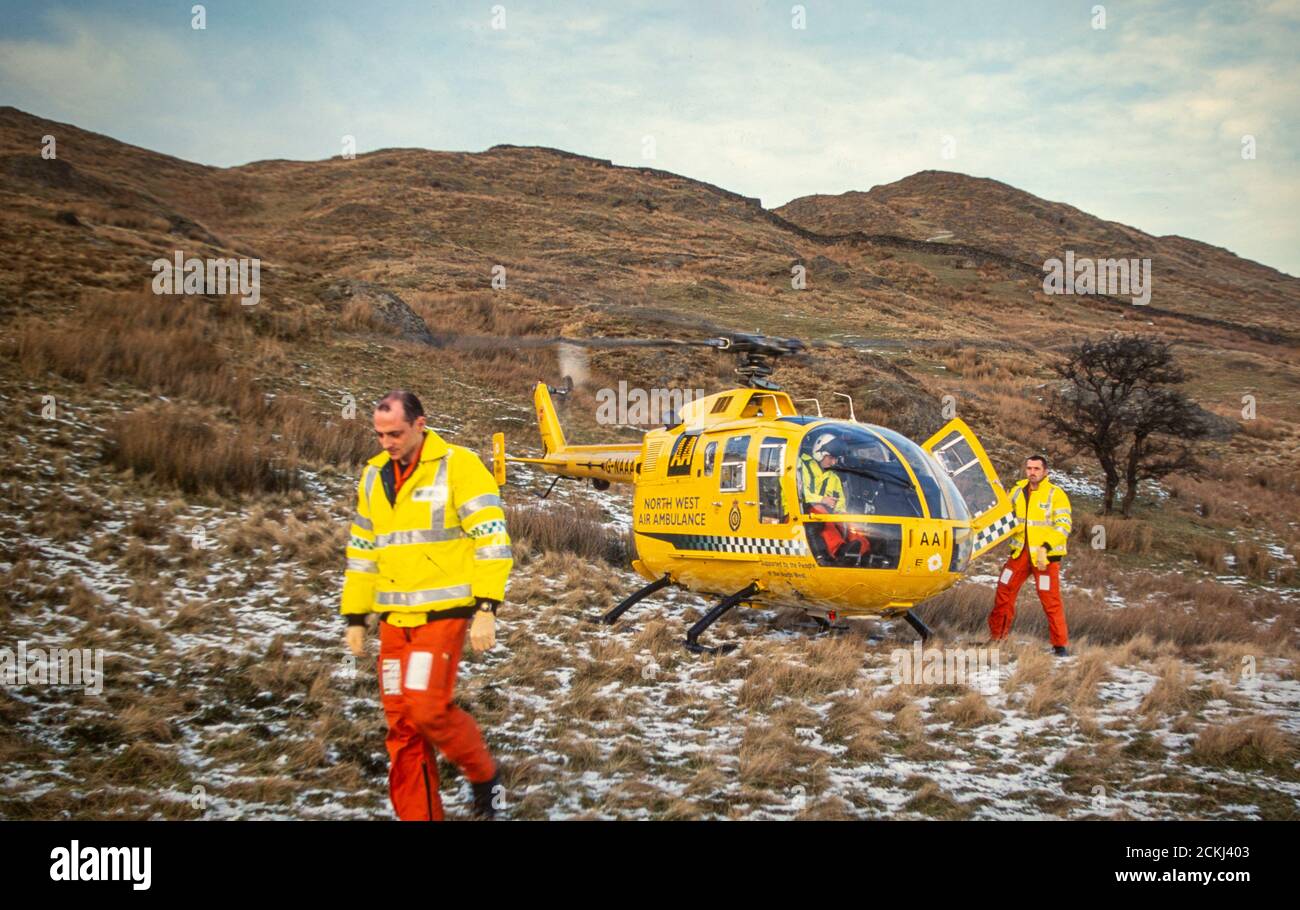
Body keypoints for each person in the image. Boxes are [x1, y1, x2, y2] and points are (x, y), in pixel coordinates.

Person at [341, 390, 512, 819]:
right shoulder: (372, 476)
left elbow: (492, 538)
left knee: (426, 707)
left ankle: (483, 775)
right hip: (394, 623)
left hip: (444, 616)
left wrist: (487, 608)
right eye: (380, 435)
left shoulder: (460, 466)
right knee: (402, 727)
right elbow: (363, 552)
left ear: (420, 424)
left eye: (395, 433)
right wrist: (355, 616)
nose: (386, 443)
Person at [987, 454, 1072, 656]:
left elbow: (1064, 525)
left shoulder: (1055, 494)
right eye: (1029, 468)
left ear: (1045, 472)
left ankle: (1060, 646)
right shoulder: (1017, 491)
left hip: (1045, 558)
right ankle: (997, 638)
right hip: (1020, 554)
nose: (1032, 472)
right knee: (1003, 591)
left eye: (1036, 469)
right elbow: (1004, 514)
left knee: (1050, 600)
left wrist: (1046, 546)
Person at [800, 432, 846, 513]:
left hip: (825, 519)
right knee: (819, 508)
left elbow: (841, 504)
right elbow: (799, 493)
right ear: (819, 454)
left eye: (836, 459)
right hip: (800, 516)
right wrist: (822, 500)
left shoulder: (834, 478)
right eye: (831, 458)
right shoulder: (801, 465)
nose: (833, 463)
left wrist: (840, 510)